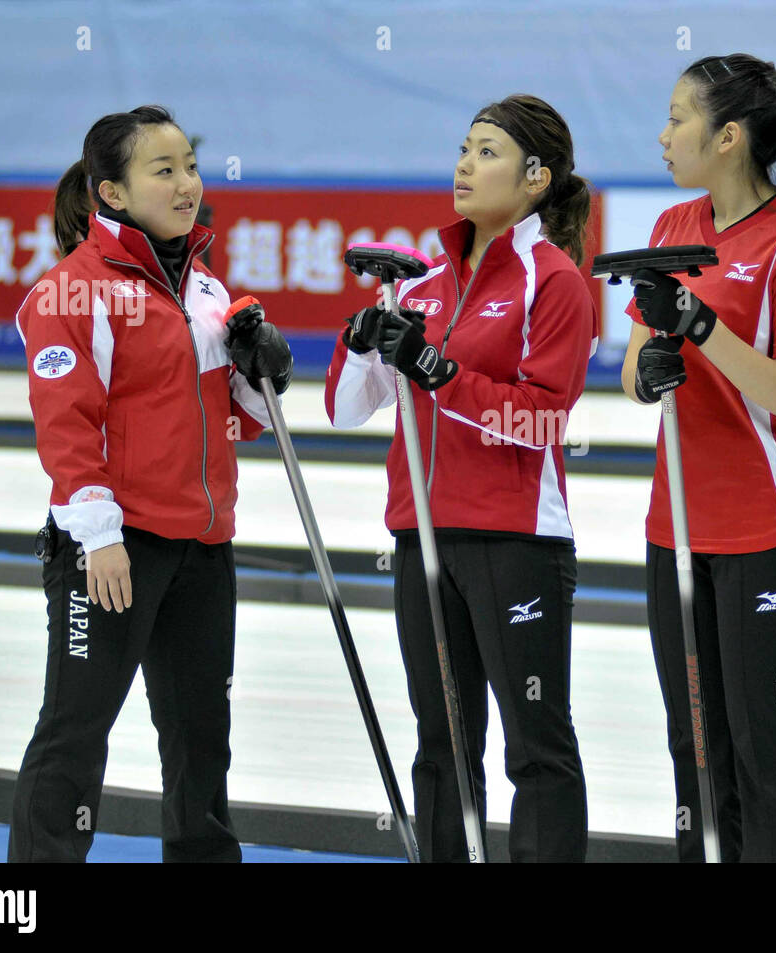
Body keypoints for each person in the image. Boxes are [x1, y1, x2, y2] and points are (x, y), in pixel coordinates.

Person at [9, 105, 293, 862]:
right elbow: (67, 425)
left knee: (202, 740)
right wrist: (98, 538)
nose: (186, 184)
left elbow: (242, 417)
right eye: (162, 170)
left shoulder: (205, 289)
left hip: (202, 546)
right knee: (75, 732)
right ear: (111, 193)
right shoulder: (71, 292)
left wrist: (261, 367)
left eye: (190, 167)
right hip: (113, 549)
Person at [325, 94, 597, 862]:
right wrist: (366, 345)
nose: (465, 165)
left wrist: (439, 372)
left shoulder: (555, 282)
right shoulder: (417, 284)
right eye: (464, 148)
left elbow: (543, 419)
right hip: (423, 538)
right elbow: (347, 409)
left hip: (516, 541)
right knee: (441, 742)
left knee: (534, 743)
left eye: (487, 152)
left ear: (536, 177)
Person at [621, 54, 776, 862]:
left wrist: (703, 328)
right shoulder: (670, 231)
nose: (664, 132)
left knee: (765, 751)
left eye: (678, 116)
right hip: (676, 523)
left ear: (727, 137)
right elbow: (635, 368)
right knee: (697, 749)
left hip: (769, 530)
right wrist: (649, 366)